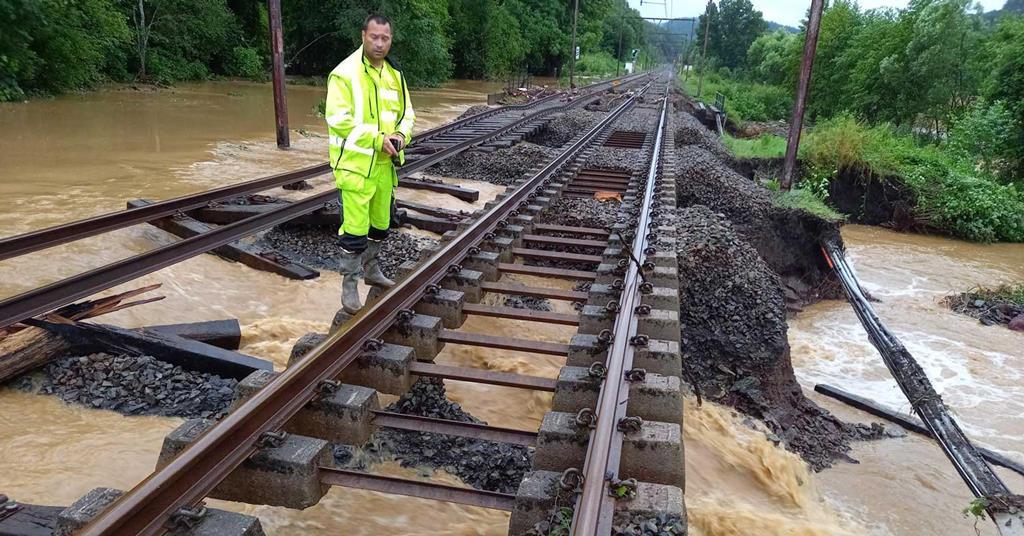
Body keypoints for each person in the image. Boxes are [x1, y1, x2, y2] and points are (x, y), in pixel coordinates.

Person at [325, 14, 415, 313]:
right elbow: (338, 120)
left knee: (381, 223)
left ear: (391, 39)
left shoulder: (395, 75)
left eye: (385, 38)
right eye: (374, 37)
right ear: (363, 35)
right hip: (354, 166)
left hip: (385, 166)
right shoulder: (344, 74)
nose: (379, 43)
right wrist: (377, 139)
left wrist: (401, 135)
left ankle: (372, 270)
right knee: (355, 229)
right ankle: (349, 285)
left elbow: (407, 115)